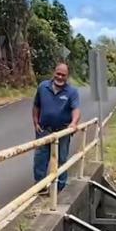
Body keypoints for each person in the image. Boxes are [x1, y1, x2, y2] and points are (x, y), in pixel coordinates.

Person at [31, 62, 81, 191]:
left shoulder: (72, 92)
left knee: (61, 159)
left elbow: (76, 109)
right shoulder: (43, 87)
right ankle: (40, 187)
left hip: (62, 132)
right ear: (54, 73)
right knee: (40, 159)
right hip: (44, 130)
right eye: (58, 74)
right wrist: (35, 123)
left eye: (63, 75)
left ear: (67, 76)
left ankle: (60, 188)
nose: (60, 77)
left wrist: (74, 123)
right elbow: (36, 106)